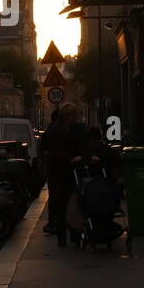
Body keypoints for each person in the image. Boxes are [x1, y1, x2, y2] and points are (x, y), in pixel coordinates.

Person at [42, 103, 88, 248]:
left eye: (76, 115)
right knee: (61, 205)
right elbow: (50, 150)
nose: (75, 118)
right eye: (72, 115)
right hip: (59, 171)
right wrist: (68, 158)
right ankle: (62, 236)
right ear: (66, 116)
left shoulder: (78, 129)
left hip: (74, 171)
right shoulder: (54, 130)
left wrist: (83, 157)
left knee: (74, 204)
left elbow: (84, 146)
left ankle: (75, 235)